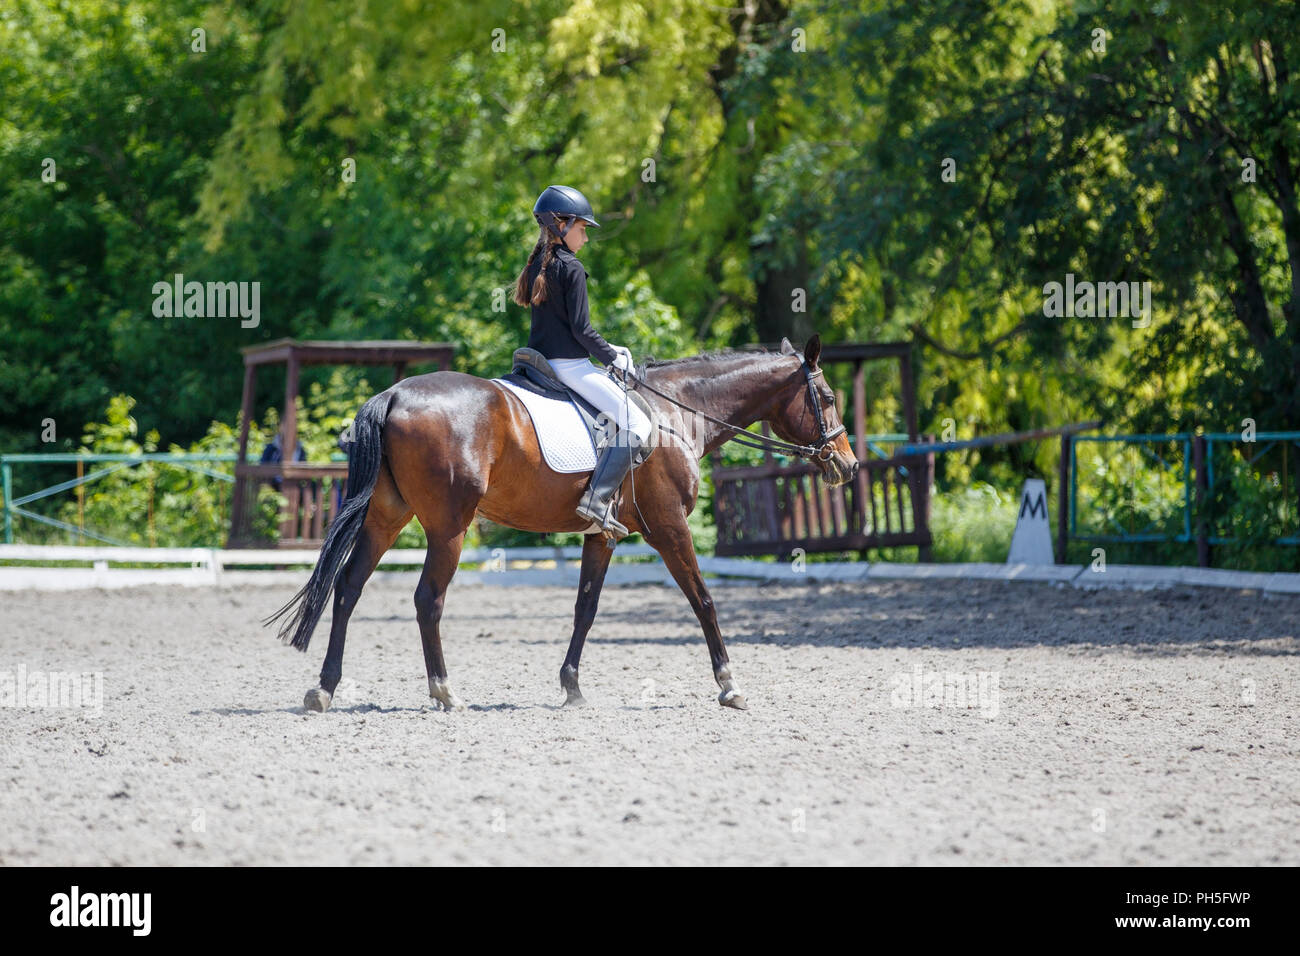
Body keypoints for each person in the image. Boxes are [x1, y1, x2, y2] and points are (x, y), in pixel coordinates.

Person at [513, 184, 652, 538]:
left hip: (539, 363)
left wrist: (609, 349)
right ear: (561, 224)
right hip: (571, 367)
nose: (585, 238)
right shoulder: (571, 268)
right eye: (582, 229)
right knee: (638, 424)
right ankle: (596, 499)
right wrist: (614, 357)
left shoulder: (535, 267)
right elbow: (582, 331)